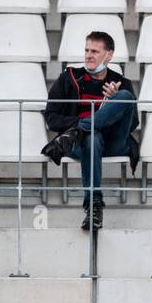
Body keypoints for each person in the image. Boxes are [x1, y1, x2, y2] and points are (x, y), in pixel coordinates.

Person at [42, 31, 138, 231]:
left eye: (95, 51)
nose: (88, 55)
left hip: (113, 142)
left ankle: (79, 130)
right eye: (86, 50)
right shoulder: (68, 78)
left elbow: (132, 124)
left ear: (109, 55)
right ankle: (94, 205)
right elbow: (51, 118)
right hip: (80, 143)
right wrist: (84, 122)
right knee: (92, 135)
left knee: (126, 96)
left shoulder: (121, 82)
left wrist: (113, 102)